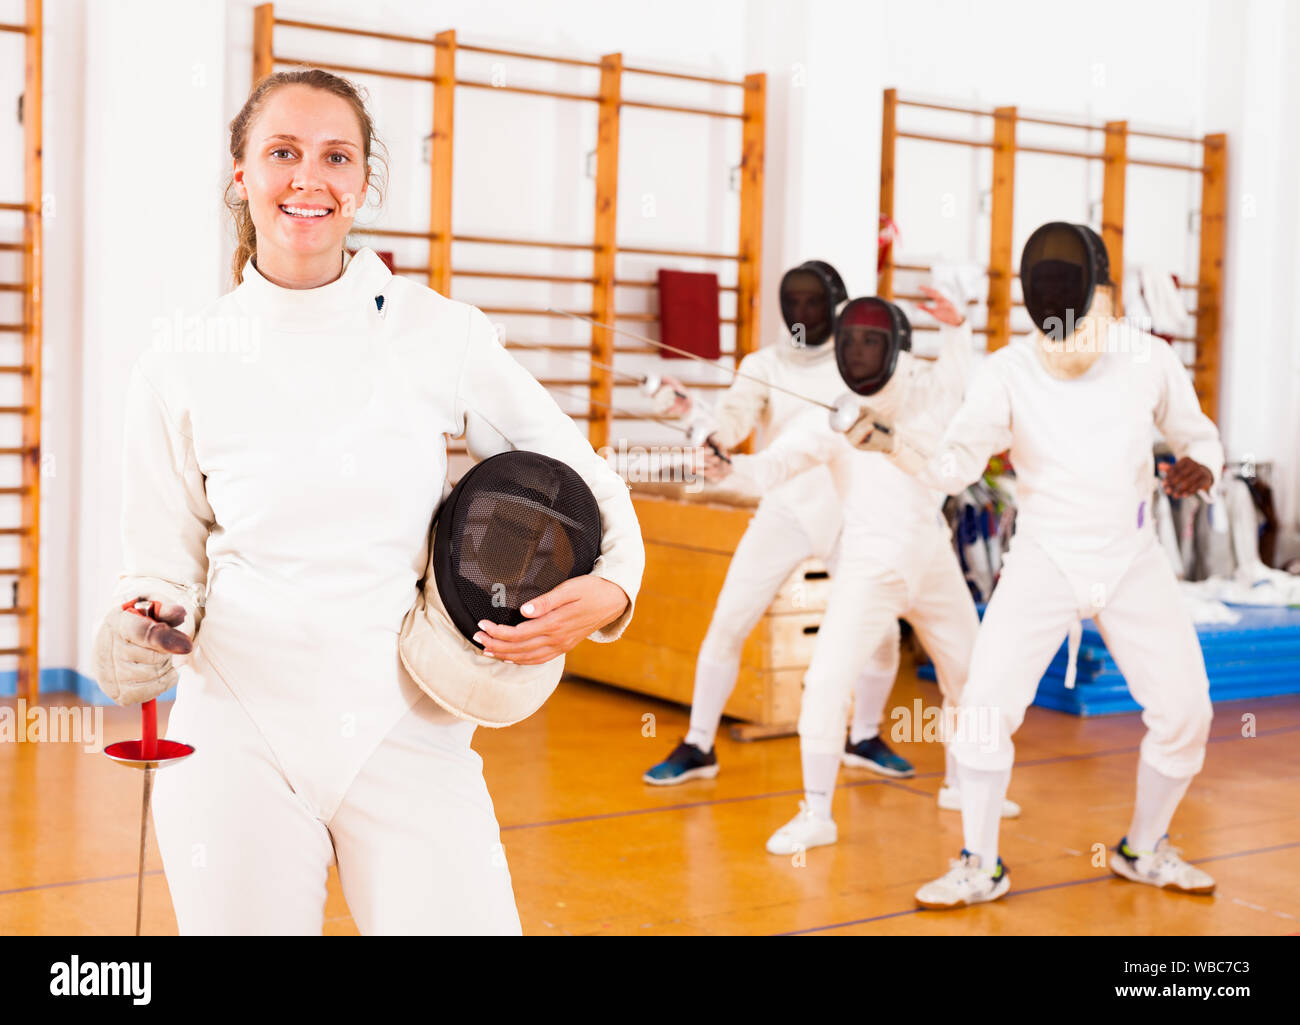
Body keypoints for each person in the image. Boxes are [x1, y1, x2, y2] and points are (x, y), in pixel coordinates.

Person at [91, 69, 645, 935]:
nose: (308, 178)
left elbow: (583, 482)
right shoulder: (181, 359)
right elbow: (163, 563)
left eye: (335, 156)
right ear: (242, 175)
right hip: (236, 724)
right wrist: (140, 623)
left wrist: (613, 589)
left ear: (361, 183)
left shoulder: (436, 331)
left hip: (408, 715)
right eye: (282, 153)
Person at [853, 223, 1222, 906]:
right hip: (1046, 556)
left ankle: (1144, 847)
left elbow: (1198, 433)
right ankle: (980, 861)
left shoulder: (1148, 359)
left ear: (1102, 292)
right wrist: (890, 441)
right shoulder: (1009, 369)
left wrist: (1207, 464)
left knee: (1187, 710)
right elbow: (953, 465)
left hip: (1133, 559)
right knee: (984, 712)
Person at [700, 287, 1018, 854]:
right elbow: (774, 467)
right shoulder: (833, 418)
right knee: (824, 682)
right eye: (852, 341)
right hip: (870, 566)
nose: (861, 352)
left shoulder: (928, 394)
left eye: (874, 341)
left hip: (934, 559)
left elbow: (955, 368)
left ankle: (959, 783)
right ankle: (816, 812)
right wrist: (728, 466)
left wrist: (959, 323)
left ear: (896, 347)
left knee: (972, 676)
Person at [643, 261, 914, 786]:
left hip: (850, 513)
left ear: (837, 304)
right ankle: (699, 745)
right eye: (795, 302)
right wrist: (698, 420)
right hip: (784, 508)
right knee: (728, 621)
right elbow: (733, 420)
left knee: (881, 633)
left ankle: (865, 735)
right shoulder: (764, 363)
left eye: (814, 302)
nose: (803, 312)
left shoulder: (862, 363)